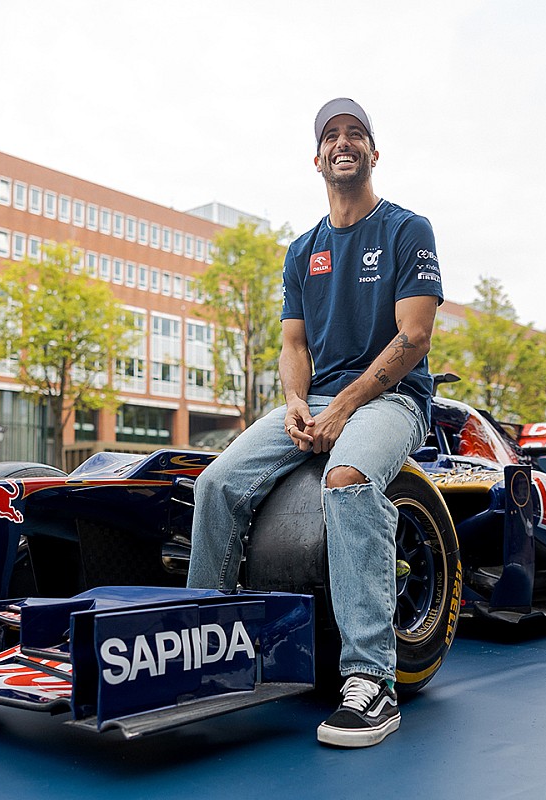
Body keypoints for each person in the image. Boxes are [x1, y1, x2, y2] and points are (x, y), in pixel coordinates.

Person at [187, 98, 443, 748]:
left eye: (356, 133)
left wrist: (342, 407)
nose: (344, 143)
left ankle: (370, 682)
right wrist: (297, 401)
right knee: (216, 484)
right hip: (318, 401)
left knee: (348, 477)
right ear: (318, 158)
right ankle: (203, 654)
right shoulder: (303, 251)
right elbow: (293, 345)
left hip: (391, 401)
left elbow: (413, 337)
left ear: (373, 153)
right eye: (332, 136)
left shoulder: (408, 229)